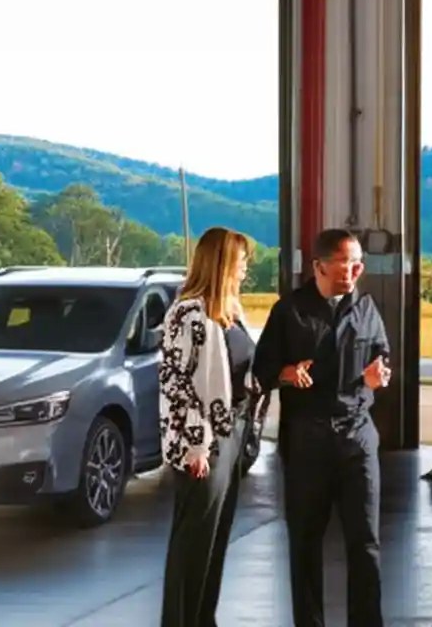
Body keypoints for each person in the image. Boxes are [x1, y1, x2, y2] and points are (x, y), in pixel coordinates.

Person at [253, 228, 392, 627]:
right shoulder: (289, 312)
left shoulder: (366, 308)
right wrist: (287, 372)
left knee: (365, 542)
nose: (354, 270)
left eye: (358, 263)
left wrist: (379, 374)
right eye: (345, 263)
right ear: (318, 266)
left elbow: (383, 356)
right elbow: (263, 371)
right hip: (307, 440)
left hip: (357, 438)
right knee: (305, 542)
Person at [159, 226, 259, 627]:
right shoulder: (187, 313)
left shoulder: (230, 312)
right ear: (222, 264)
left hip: (231, 434)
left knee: (215, 542)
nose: (246, 269)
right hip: (204, 443)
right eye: (241, 261)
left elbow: (238, 373)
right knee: (193, 544)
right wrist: (194, 446)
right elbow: (176, 384)